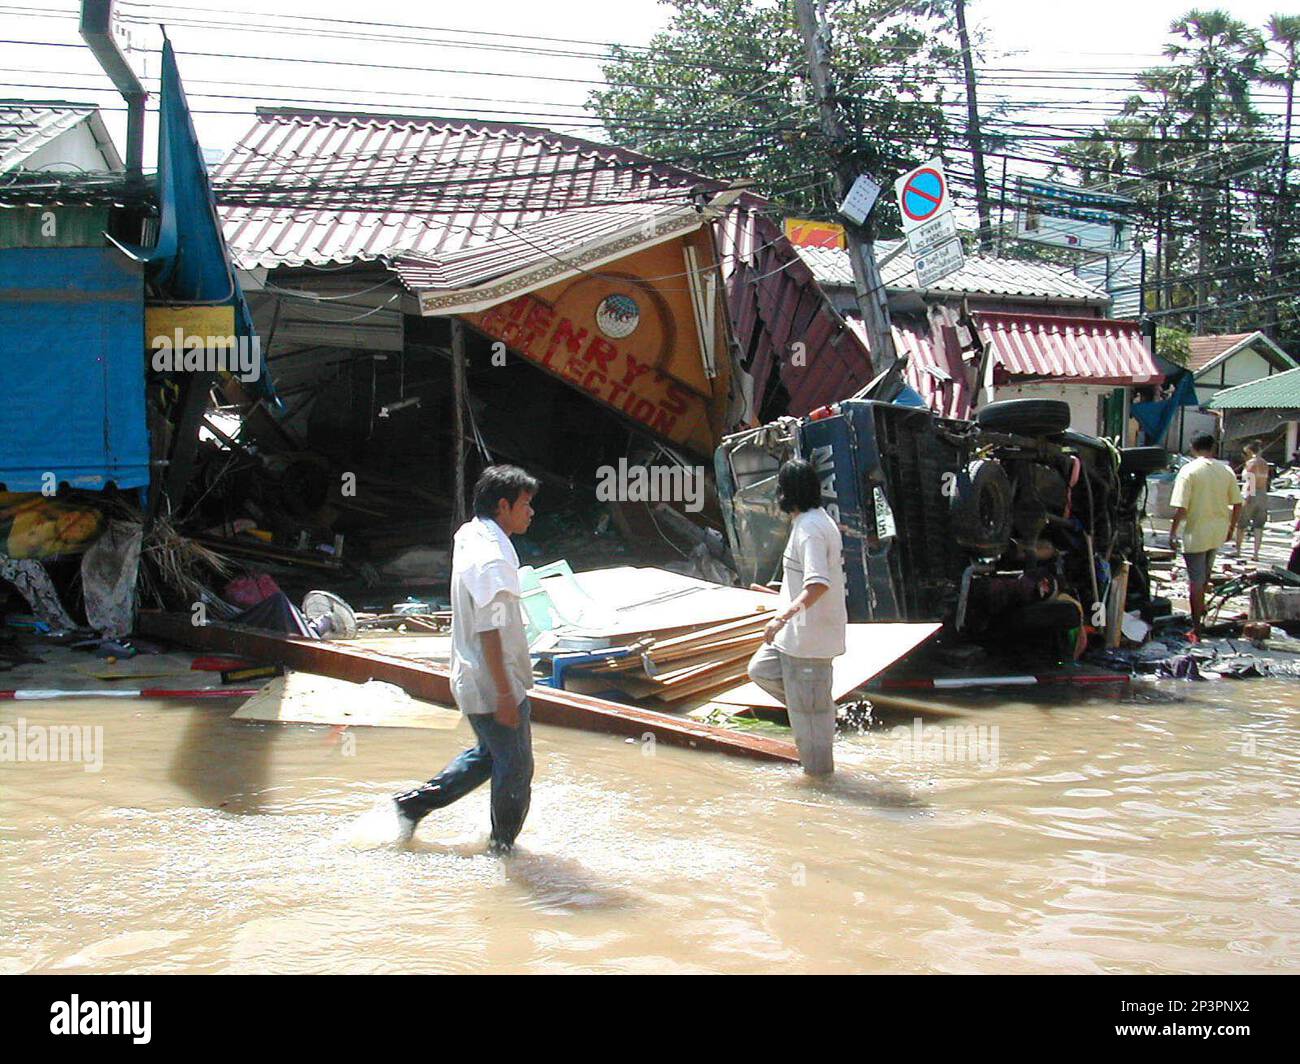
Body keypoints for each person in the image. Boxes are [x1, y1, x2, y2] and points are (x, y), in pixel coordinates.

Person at [390, 465, 539, 853]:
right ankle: (503, 849)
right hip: (492, 680)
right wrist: (506, 694)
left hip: (472, 674)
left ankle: (412, 806)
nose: (531, 512)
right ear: (503, 507)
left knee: (489, 756)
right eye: (525, 505)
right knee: (517, 766)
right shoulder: (493, 559)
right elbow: (491, 632)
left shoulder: (472, 533)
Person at [745, 459, 847, 776]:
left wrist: (781, 618)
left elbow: (817, 584)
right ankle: (819, 712)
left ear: (786, 493)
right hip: (792, 641)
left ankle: (822, 792)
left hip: (807, 645)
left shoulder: (811, 530)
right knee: (760, 669)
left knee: (813, 747)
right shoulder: (811, 522)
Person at [1169, 434, 1242, 633]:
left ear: (1192, 448)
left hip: (1195, 533)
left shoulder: (1188, 471)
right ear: (1213, 448)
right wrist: (1231, 528)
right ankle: (1199, 619)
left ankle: (1196, 627)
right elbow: (1237, 504)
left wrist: (1172, 533)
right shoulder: (1226, 470)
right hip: (1217, 532)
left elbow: (1181, 508)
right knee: (1204, 577)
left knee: (1196, 581)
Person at [1233, 440, 1271, 561]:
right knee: (1259, 526)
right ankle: (1256, 554)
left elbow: (1251, 481)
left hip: (1251, 494)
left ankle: (1238, 551)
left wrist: (1248, 497)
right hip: (1263, 495)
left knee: (1241, 524)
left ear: (1249, 450)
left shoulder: (1251, 463)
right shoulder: (1265, 463)